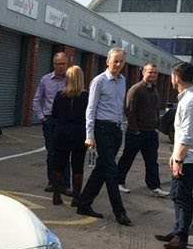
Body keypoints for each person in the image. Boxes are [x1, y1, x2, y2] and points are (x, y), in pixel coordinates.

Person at [155, 62, 193, 249]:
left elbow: (187, 136)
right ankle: (178, 230)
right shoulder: (189, 99)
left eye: (172, 75)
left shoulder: (190, 102)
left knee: (183, 196)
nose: (171, 78)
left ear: (176, 77)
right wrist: (175, 155)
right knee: (177, 194)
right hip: (186, 155)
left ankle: (181, 237)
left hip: (189, 158)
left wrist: (178, 159)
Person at [76, 47, 131, 225]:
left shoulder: (122, 81)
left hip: (116, 129)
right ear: (107, 61)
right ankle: (119, 212)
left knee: (102, 168)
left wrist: (121, 128)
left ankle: (84, 203)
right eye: (115, 61)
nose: (118, 64)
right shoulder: (99, 81)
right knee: (111, 171)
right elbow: (90, 109)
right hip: (102, 128)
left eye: (121, 61)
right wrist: (90, 135)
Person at [116, 62, 169, 197]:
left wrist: (157, 127)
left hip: (151, 133)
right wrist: (136, 130)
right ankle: (118, 182)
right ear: (143, 72)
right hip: (136, 133)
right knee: (127, 159)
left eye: (155, 73)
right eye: (150, 72)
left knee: (152, 161)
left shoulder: (155, 90)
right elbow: (130, 110)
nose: (153, 75)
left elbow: (156, 110)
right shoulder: (136, 89)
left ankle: (155, 187)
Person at [48, 65, 88, 206]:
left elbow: (54, 114)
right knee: (78, 166)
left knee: (58, 165)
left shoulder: (60, 95)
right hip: (79, 134)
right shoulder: (86, 96)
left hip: (62, 133)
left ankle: (56, 196)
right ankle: (76, 198)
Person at [31, 51, 71, 193]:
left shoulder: (71, 80)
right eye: (58, 64)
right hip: (50, 121)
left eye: (63, 64)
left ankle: (65, 185)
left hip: (66, 121)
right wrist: (42, 118)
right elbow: (37, 100)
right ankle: (53, 183)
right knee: (52, 153)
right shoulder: (45, 80)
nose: (61, 66)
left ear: (67, 64)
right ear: (54, 65)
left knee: (65, 153)